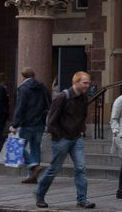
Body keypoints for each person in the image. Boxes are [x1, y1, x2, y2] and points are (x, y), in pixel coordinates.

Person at [36, 70, 97, 209]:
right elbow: (51, 120)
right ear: (76, 82)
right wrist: (58, 136)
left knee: (81, 168)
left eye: (88, 83)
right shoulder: (62, 97)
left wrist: (81, 130)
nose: (88, 85)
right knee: (54, 168)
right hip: (62, 138)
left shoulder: (83, 98)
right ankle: (40, 193)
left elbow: (83, 116)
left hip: (76, 138)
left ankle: (82, 200)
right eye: (85, 83)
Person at [12, 66, 52, 185]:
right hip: (40, 123)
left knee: (16, 147)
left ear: (23, 76)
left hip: (27, 123)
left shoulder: (23, 89)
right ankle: (32, 176)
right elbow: (49, 104)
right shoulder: (43, 87)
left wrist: (14, 124)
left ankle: (33, 166)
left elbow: (20, 107)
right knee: (35, 148)